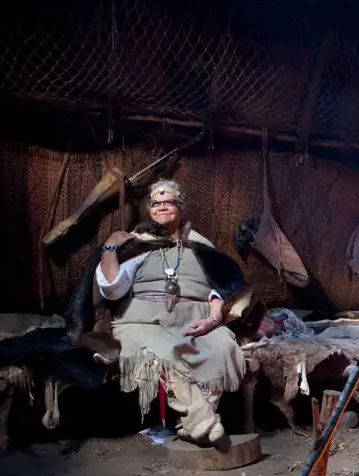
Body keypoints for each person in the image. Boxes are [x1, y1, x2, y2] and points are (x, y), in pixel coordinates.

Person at [94, 179, 248, 446]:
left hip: (195, 318)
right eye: (156, 203)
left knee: (224, 346)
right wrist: (109, 247)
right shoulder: (136, 242)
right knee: (167, 351)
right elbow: (113, 289)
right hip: (144, 320)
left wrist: (213, 319)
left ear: (181, 207)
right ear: (149, 209)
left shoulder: (201, 244)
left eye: (168, 202)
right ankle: (204, 421)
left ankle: (194, 424)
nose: (161, 207)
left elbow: (220, 289)